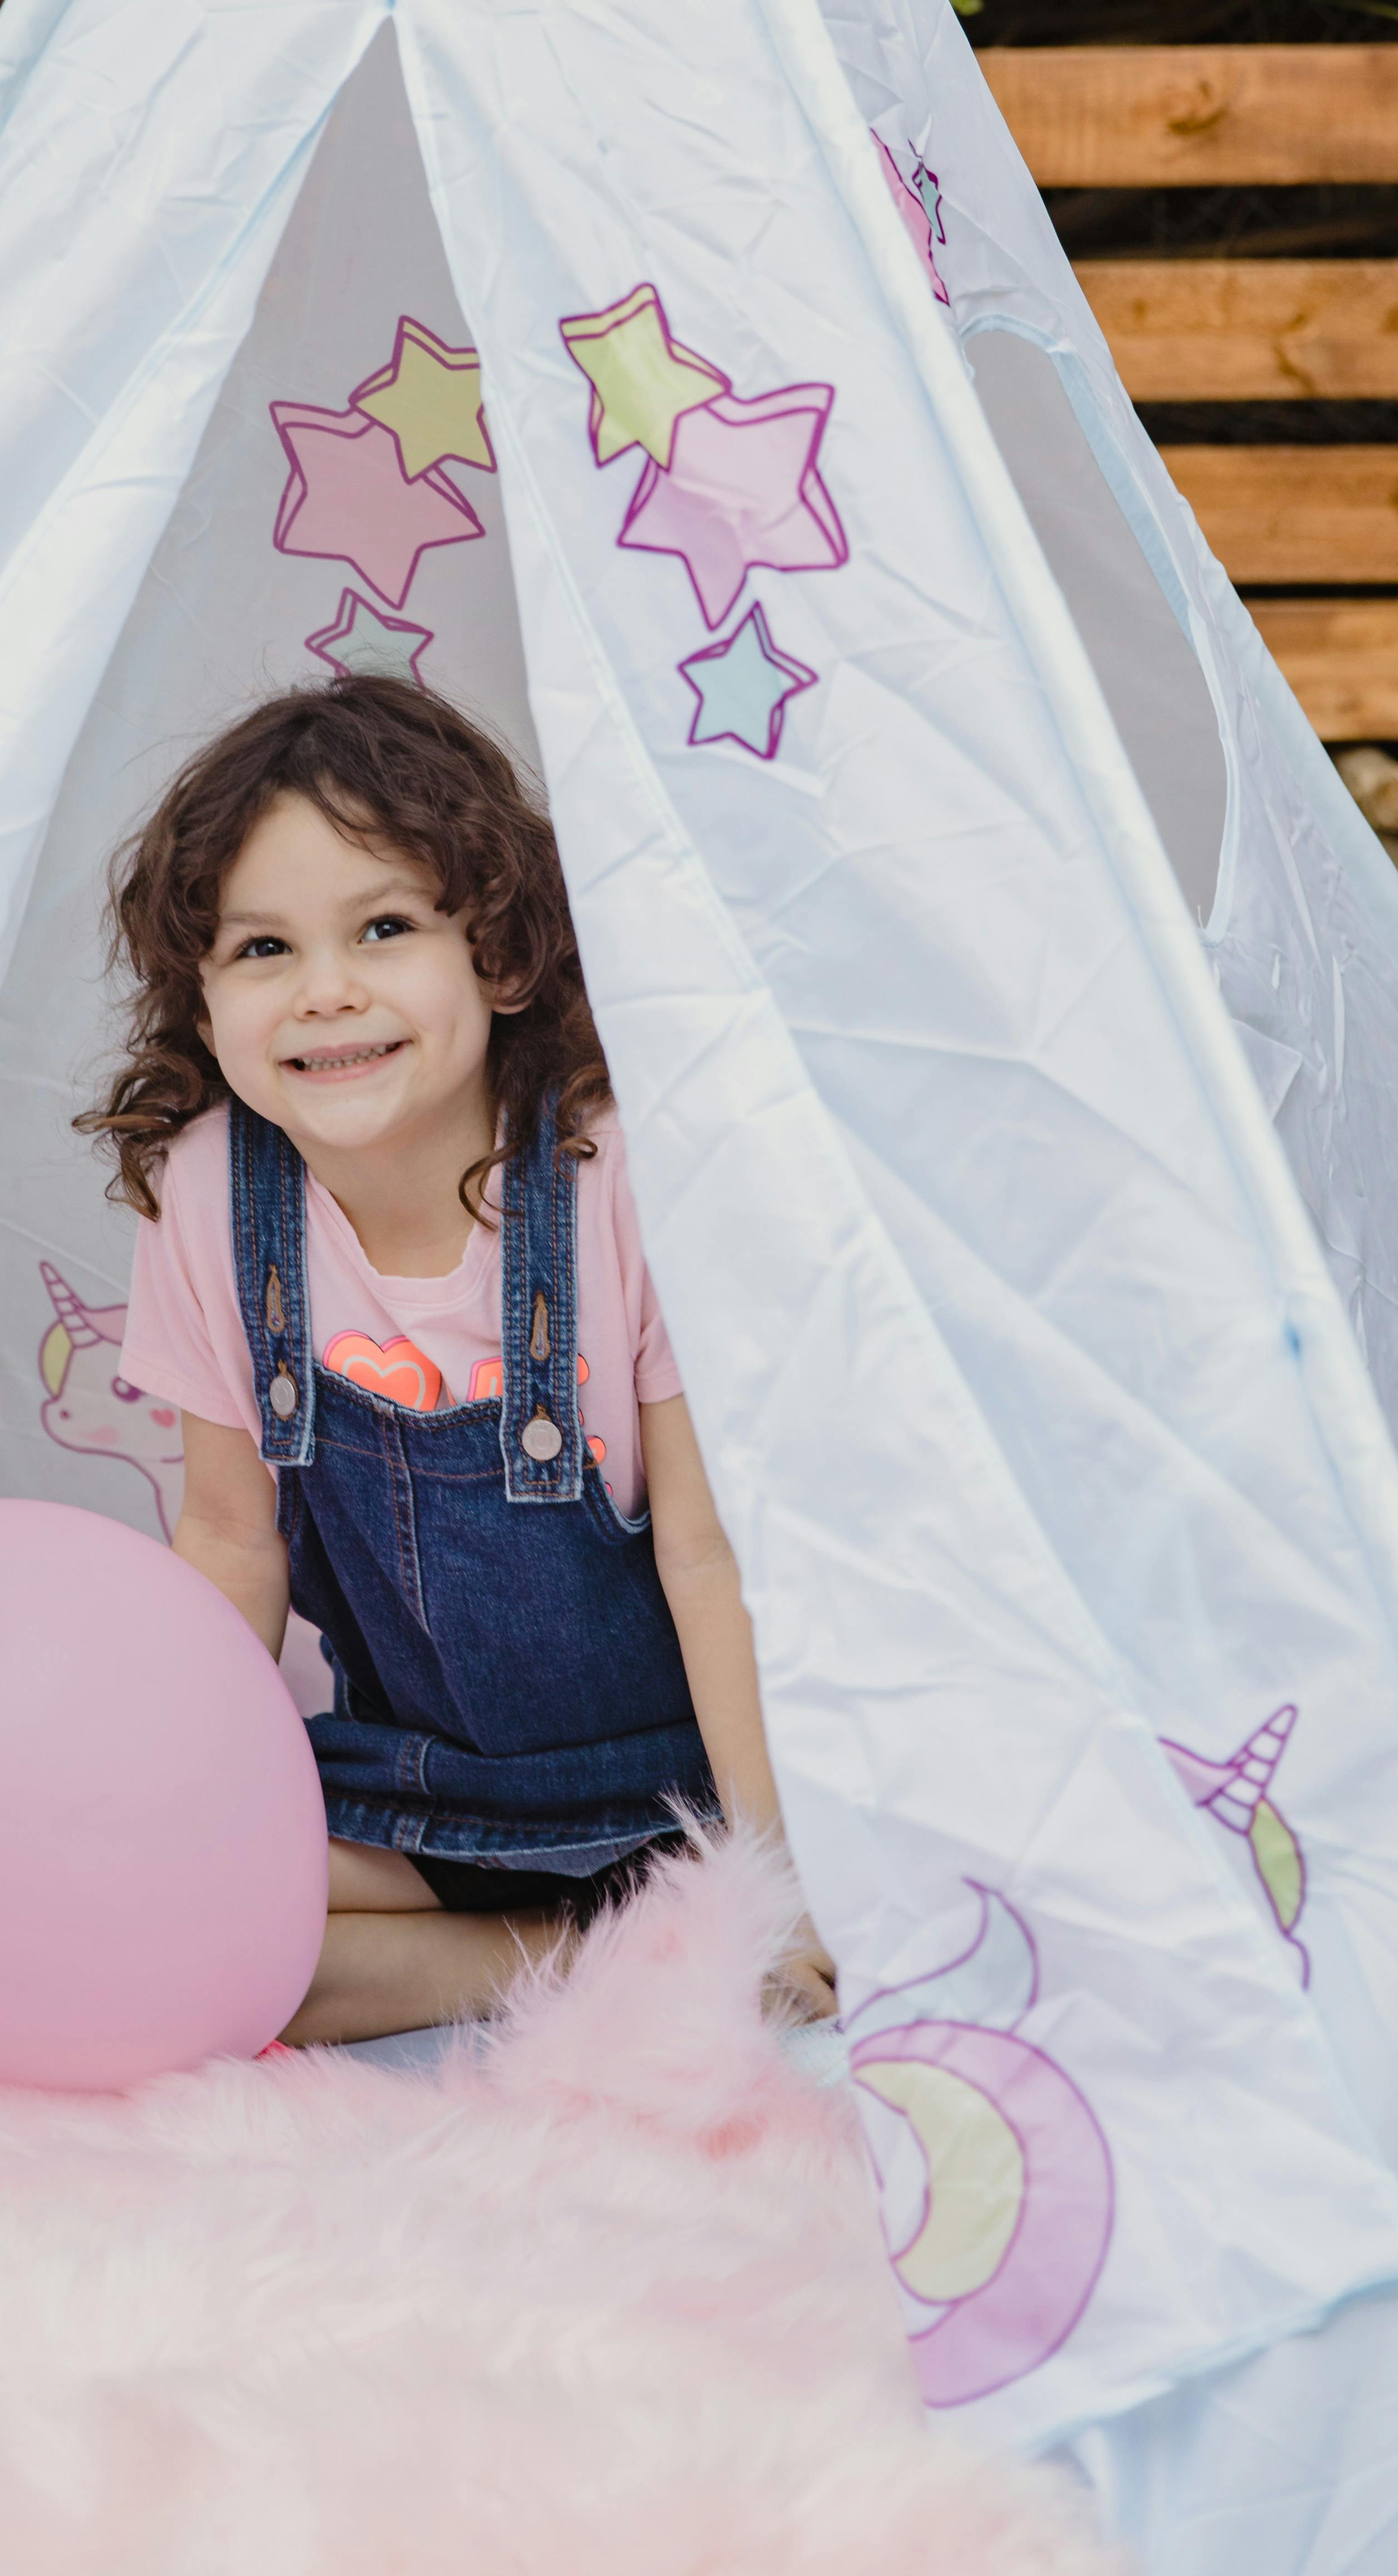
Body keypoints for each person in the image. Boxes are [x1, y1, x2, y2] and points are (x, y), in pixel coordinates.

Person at [80, 675, 835, 2046]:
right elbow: (230, 1542)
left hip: (665, 1791)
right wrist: (181, 1812)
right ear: (198, 994)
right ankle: (576, 1947)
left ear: (495, 953)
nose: (326, 991)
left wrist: (769, 1881)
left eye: (383, 926)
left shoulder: (614, 1177)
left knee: (209, 1942)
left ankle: (674, 1918)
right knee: (145, 1924)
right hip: (418, 1796)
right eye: (261, 948)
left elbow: (708, 1559)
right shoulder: (211, 1193)